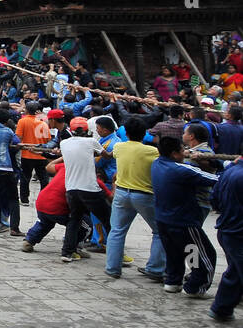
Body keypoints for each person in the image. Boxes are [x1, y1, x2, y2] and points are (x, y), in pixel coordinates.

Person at [151, 136, 219, 297]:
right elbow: (216, 179)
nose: (184, 153)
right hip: (183, 222)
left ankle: (172, 282)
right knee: (201, 254)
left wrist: (190, 155)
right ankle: (195, 287)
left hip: (163, 219)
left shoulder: (156, 164)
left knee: (174, 253)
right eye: (182, 150)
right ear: (175, 153)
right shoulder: (181, 170)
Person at [106, 117, 165, 281]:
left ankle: (112, 268)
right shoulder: (152, 151)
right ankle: (156, 268)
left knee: (117, 231)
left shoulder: (118, 147)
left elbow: (111, 155)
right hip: (144, 194)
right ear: (144, 133)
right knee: (159, 231)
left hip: (122, 192)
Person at [59, 119, 112, 262]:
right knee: (108, 220)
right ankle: (116, 254)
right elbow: (106, 155)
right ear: (87, 130)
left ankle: (66, 252)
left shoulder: (64, 143)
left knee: (74, 220)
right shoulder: (91, 142)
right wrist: (117, 151)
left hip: (71, 189)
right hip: (89, 188)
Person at [208, 160, 243, 328]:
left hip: (227, 230)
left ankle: (221, 308)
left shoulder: (229, 171)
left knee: (236, 271)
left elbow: (214, 199)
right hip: (238, 233)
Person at [16, 102, 51, 206]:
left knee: (25, 178)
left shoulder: (22, 121)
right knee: (44, 179)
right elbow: (48, 139)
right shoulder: (43, 123)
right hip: (41, 155)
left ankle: (24, 200)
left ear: (26, 110)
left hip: (26, 155)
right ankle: (43, 199)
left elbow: (19, 137)